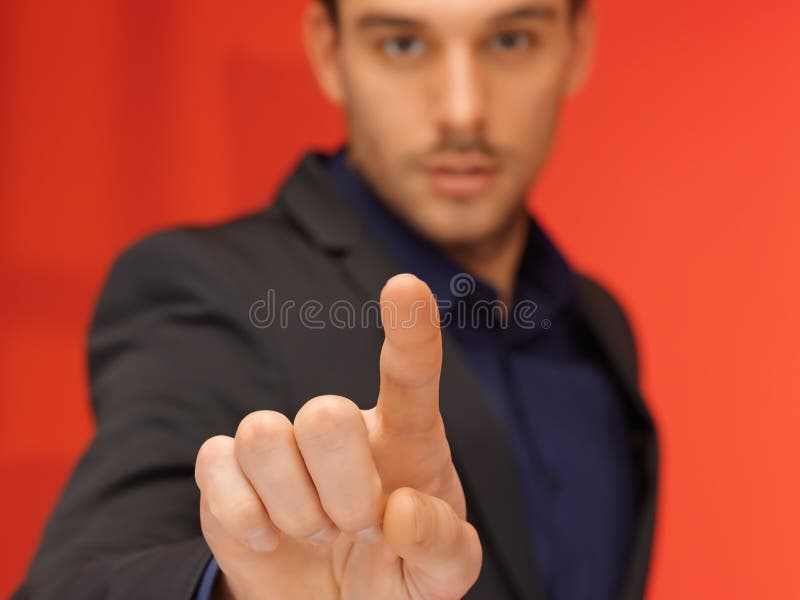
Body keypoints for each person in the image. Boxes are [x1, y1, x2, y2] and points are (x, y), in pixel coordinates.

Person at [13, 0, 658, 598]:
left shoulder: (598, 326)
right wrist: (242, 592)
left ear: (576, 47)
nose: (463, 110)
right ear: (329, 51)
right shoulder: (206, 291)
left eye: (511, 40)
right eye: (403, 44)